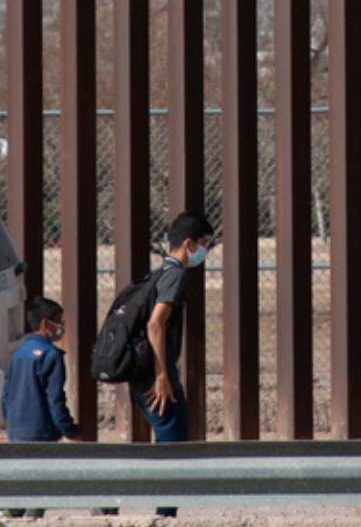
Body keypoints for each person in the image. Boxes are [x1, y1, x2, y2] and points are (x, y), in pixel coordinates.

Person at [132, 210, 215, 519]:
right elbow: (155, 325)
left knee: (170, 443)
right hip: (156, 376)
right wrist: (162, 375)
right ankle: (164, 516)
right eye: (204, 244)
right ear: (189, 243)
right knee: (173, 446)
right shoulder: (176, 275)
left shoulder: (158, 273)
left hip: (143, 375)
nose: (205, 252)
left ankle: (163, 511)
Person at [2, 296, 80, 519]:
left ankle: (12, 512)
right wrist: (69, 430)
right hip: (41, 431)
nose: (62, 326)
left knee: (21, 480)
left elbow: (5, 397)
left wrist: (12, 424)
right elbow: (55, 400)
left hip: (17, 430)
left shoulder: (18, 354)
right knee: (39, 485)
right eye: (58, 321)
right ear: (46, 324)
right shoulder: (51, 356)